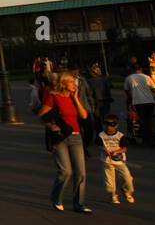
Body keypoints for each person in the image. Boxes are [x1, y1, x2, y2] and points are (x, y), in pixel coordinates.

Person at [40, 72, 92, 213]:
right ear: (63, 84)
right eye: (71, 82)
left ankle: (79, 203)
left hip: (75, 137)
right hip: (61, 137)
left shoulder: (73, 98)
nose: (74, 85)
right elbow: (42, 115)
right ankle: (56, 197)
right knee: (65, 171)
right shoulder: (54, 97)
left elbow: (84, 115)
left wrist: (75, 99)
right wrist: (51, 126)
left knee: (81, 172)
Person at [98, 113, 135, 205]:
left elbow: (124, 148)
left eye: (112, 125)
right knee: (109, 183)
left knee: (128, 179)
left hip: (119, 161)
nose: (109, 127)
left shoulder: (120, 136)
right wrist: (105, 150)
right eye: (107, 124)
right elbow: (99, 146)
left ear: (116, 126)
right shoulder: (101, 135)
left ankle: (126, 191)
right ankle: (113, 195)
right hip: (107, 161)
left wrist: (117, 152)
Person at [124, 62, 155, 147]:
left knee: (142, 120)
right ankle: (152, 137)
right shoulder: (147, 77)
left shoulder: (129, 78)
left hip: (138, 102)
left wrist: (129, 100)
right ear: (141, 69)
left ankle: (146, 138)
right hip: (150, 101)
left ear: (132, 70)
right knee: (150, 120)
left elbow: (127, 91)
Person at [72, 68, 97, 158]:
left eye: (77, 70)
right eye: (73, 71)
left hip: (84, 107)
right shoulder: (66, 80)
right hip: (73, 109)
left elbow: (88, 93)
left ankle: (85, 145)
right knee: (77, 130)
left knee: (89, 128)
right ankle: (80, 149)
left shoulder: (82, 80)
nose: (75, 72)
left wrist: (92, 105)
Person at [86, 65, 113, 145]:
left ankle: (100, 137)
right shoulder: (104, 80)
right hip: (105, 101)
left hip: (97, 102)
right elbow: (108, 90)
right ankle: (109, 136)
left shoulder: (91, 81)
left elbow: (90, 93)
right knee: (106, 119)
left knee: (98, 121)